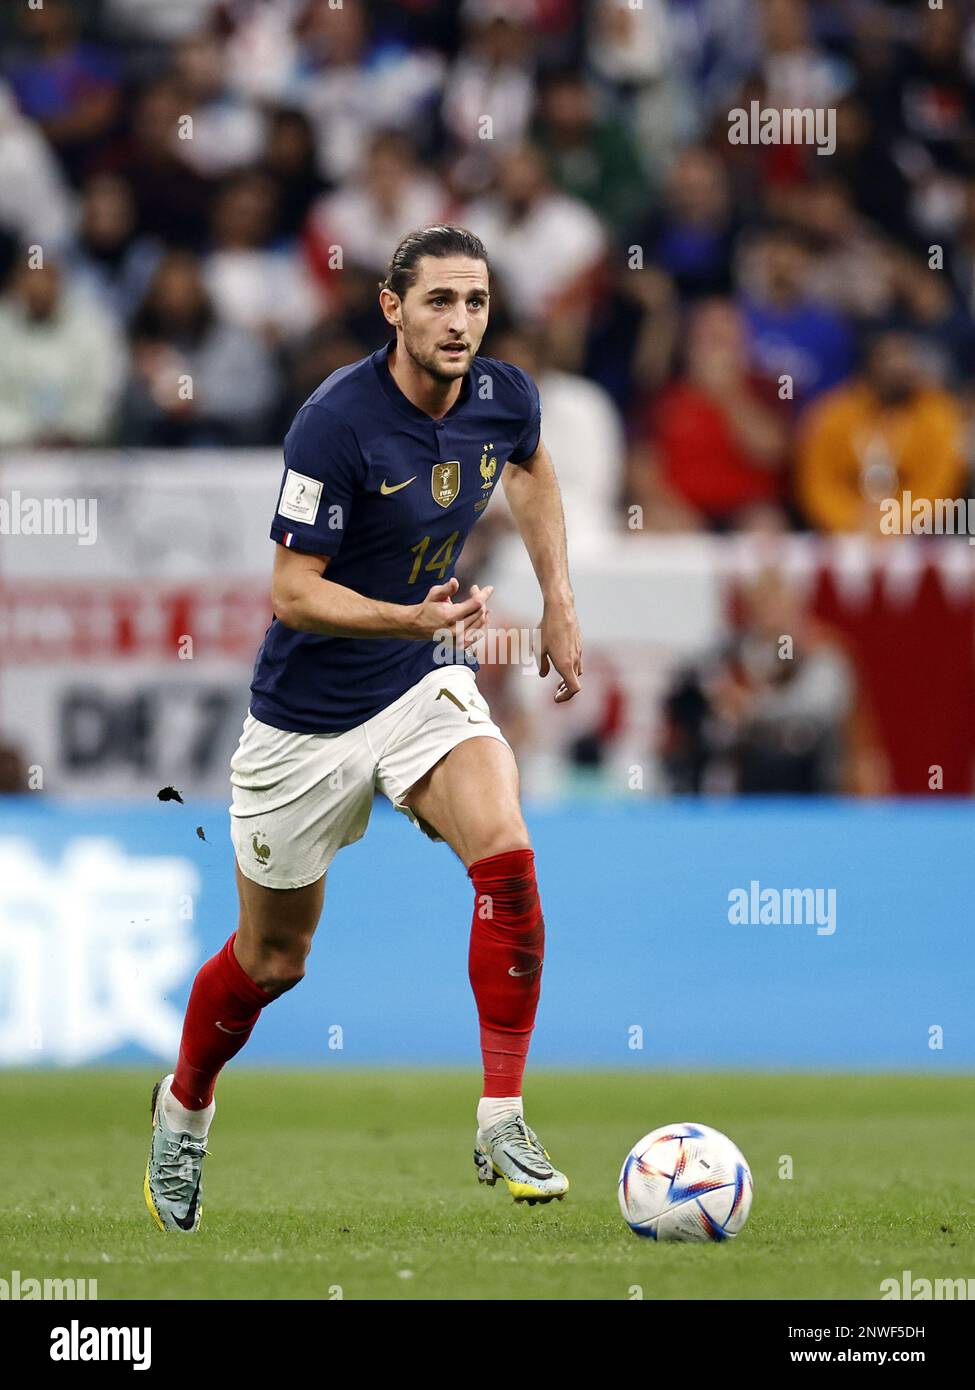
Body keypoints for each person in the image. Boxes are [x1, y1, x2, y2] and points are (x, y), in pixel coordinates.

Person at [143, 225, 584, 1232]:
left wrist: (559, 597)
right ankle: (184, 1107)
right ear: (392, 307)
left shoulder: (505, 395)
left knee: (506, 850)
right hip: (306, 716)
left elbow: (532, 469)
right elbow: (292, 593)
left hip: (421, 678)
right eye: (439, 302)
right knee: (273, 961)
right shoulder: (335, 422)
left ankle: (502, 1114)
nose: (460, 322)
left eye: (474, 302)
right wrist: (410, 614)